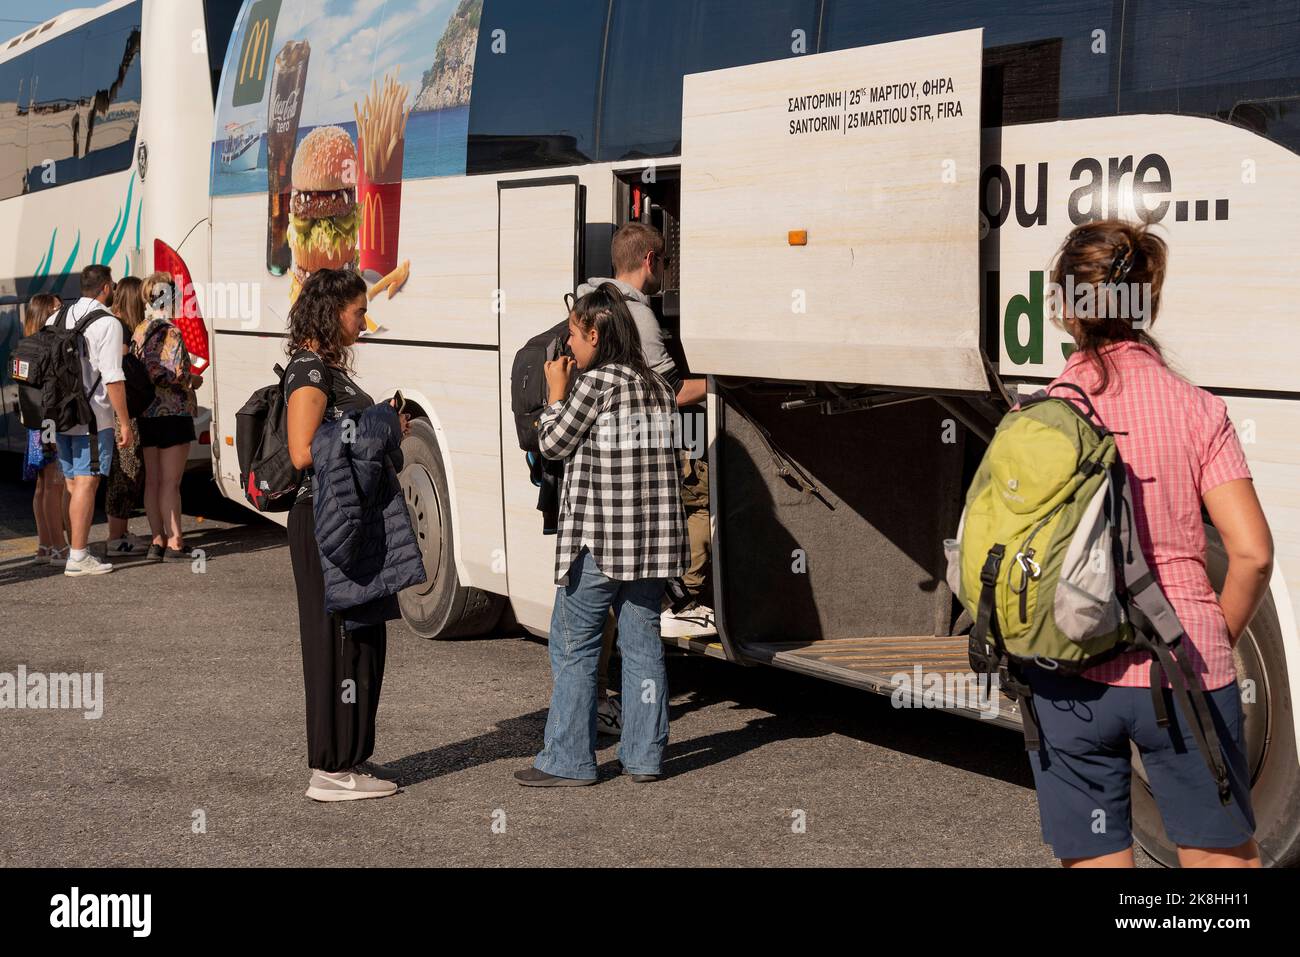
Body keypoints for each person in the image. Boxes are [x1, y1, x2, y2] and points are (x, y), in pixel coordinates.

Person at [1026, 219, 1273, 867]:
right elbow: (1251, 553)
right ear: (1148, 302)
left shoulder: (1039, 414)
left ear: (1064, 310)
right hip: (1182, 672)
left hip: (1068, 676)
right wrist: (1206, 635)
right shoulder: (1197, 409)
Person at [515, 283, 689, 786]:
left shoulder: (595, 386)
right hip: (653, 545)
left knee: (575, 646)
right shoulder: (657, 387)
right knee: (642, 647)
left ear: (596, 332)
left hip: (600, 543)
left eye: (573, 334)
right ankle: (644, 757)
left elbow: (551, 442)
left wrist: (554, 392)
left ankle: (568, 759)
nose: (568, 346)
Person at [577, 223, 712, 738]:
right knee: (633, 630)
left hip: (596, 487)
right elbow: (669, 392)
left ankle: (598, 714)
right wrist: (728, 379)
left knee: (592, 626)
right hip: (636, 479)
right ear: (652, 259)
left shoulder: (589, 300)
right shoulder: (638, 313)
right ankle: (688, 601)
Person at [284, 268, 410, 802]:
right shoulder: (310, 374)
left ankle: (350, 757)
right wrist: (379, 425)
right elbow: (302, 451)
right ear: (332, 311)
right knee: (336, 642)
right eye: (358, 311)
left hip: (344, 517)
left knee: (361, 638)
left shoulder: (325, 369)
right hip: (323, 519)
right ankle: (330, 770)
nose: (364, 318)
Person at [49, 264, 132, 577]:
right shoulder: (108, 323)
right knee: (87, 482)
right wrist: (123, 422)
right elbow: (113, 377)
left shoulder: (56, 316)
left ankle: (74, 548)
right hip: (93, 418)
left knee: (72, 483)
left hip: (60, 414)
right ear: (107, 288)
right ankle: (79, 555)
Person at [132, 272, 202, 562]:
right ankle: (175, 543)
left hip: (147, 413)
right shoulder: (171, 331)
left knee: (152, 482)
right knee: (171, 483)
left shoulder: (140, 329)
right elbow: (175, 374)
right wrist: (192, 381)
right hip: (173, 412)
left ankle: (156, 540)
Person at [21, 294, 69, 566]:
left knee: (42, 486)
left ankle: (44, 546)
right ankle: (59, 547)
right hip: (50, 420)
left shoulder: (27, 343)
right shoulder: (50, 345)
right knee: (54, 485)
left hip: (34, 422)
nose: (61, 312)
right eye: (58, 308)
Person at [105, 276, 148, 556]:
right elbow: (119, 370)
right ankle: (115, 538)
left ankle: (121, 532)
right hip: (123, 411)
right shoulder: (118, 327)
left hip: (117, 409)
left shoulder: (116, 323)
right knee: (124, 474)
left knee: (125, 472)